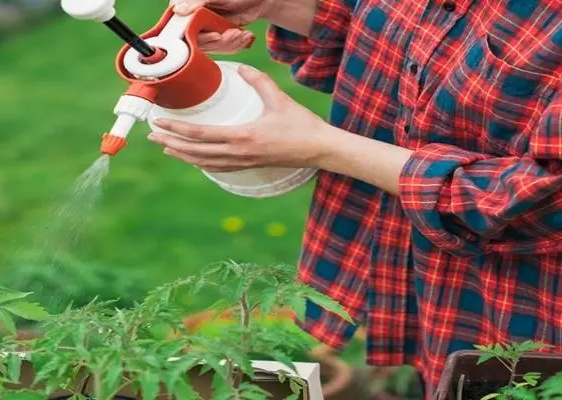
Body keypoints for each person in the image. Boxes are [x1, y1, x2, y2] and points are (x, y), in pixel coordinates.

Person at [148, 0, 562, 397]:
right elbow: (397, 33)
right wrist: (277, 4)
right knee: (426, 377)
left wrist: (323, 148)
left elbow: (541, 195)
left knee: (503, 385)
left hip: (525, 307)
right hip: (432, 280)